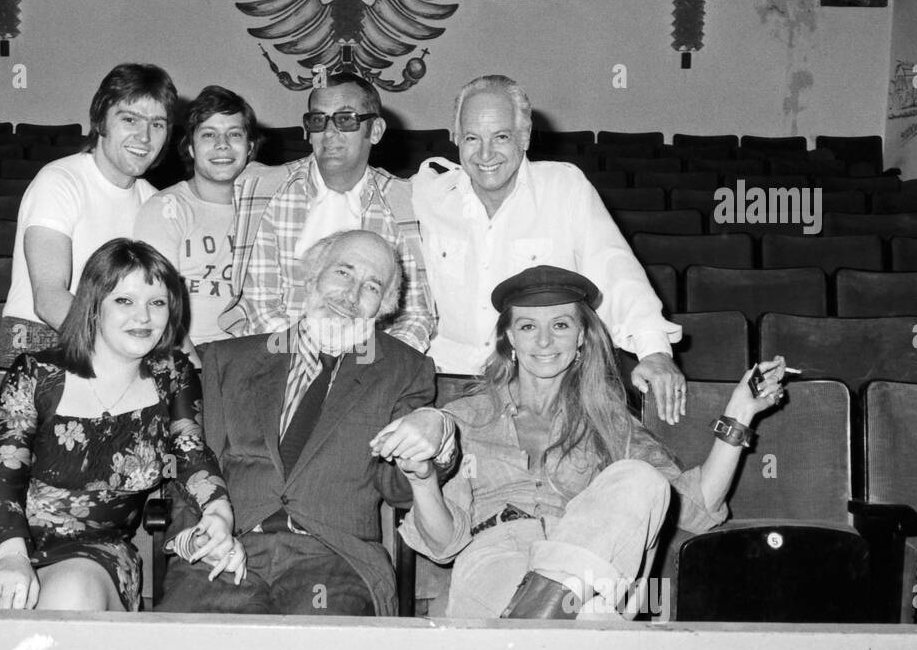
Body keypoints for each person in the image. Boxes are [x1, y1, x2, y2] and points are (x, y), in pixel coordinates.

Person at [400, 265, 788, 620]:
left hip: (592, 563)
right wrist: (422, 481)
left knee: (639, 478)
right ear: (508, 338)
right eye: (528, 327)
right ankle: (563, 630)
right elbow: (443, 543)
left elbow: (695, 506)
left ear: (582, 335)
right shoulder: (465, 417)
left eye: (562, 325)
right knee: (591, 618)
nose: (545, 341)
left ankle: (537, 629)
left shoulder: (609, 421)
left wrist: (740, 413)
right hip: (495, 559)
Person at [159, 229, 454, 616]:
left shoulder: (403, 369)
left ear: (383, 305)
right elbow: (193, 465)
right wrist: (194, 537)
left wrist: (432, 442)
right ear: (312, 274)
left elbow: (399, 488)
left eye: (371, 286)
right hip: (225, 549)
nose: (350, 296)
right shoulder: (228, 361)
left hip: (333, 562)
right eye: (343, 273)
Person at [0, 239, 237, 612]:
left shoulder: (174, 374)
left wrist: (218, 515)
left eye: (156, 302)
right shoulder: (36, 374)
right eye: (124, 300)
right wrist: (12, 557)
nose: (143, 317)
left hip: (97, 546)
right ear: (94, 306)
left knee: (71, 602)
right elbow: (3, 476)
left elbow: (190, 454)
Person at [412, 74, 688, 423]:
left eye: (501, 137)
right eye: (471, 138)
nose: (485, 154)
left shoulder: (564, 188)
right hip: (447, 386)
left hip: (542, 388)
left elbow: (615, 270)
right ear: (455, 139)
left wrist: (655, 351)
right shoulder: (428, 194)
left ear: (524, 136)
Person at [221, 72, 435, 352]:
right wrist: (305, 360)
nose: (330, 133)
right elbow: (259, 306)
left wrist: (375, 367)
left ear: (376, 130)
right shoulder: (266, 190)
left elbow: (416, 316)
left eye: (346, 119)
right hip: (280, 359)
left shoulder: (405, 201)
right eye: (318, 120)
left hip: (371, 368)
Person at [0, 63, 178, 366]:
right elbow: (49, 297)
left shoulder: (156, 202)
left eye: (157, 124)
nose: (144, 136)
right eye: (130, 119)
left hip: (119, 343)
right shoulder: (60, 180)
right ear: (100, 121)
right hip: (41, 336)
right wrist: (111, 353)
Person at [135, 85, 259, 364]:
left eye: (235, 134)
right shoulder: (167, 209)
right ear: (190, 147)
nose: (222, 144)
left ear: (250, 147)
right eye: (208, 135)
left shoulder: (268, 208)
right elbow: (157, 305)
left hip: (251, 352)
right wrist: (197, 369)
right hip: (186, 352)